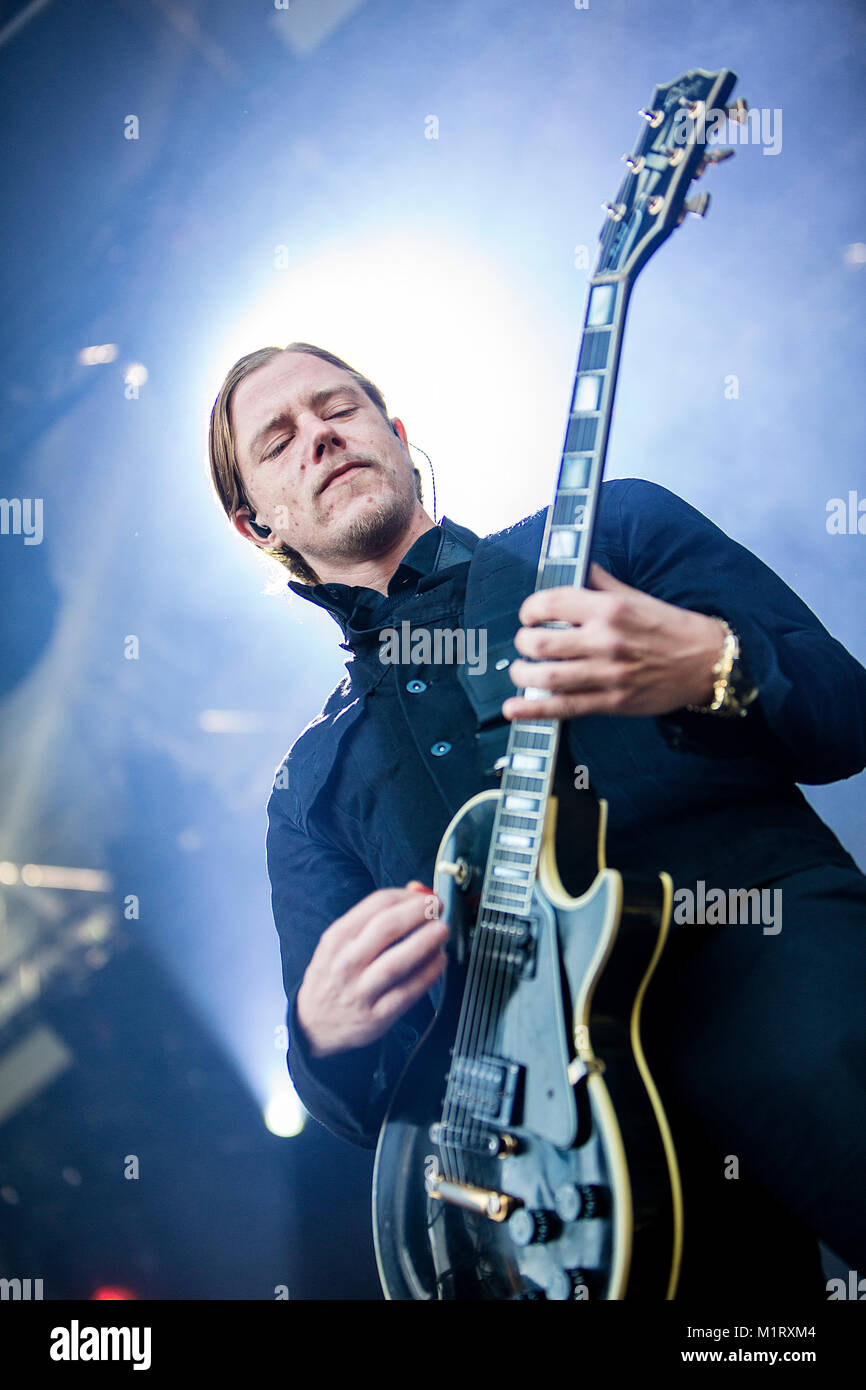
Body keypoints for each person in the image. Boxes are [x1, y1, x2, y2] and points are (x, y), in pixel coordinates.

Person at [208, 340, 866, 1298]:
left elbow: (844, 718)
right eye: (278, 440)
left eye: (337, 408)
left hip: (804, 1015)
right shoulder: (308, 789)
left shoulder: (611, 528)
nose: (319, 437)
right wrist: (318, 1036)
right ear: (254, 523)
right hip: (582, 1183)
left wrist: (713, 665)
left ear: (394, 435)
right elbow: (374, 1096)